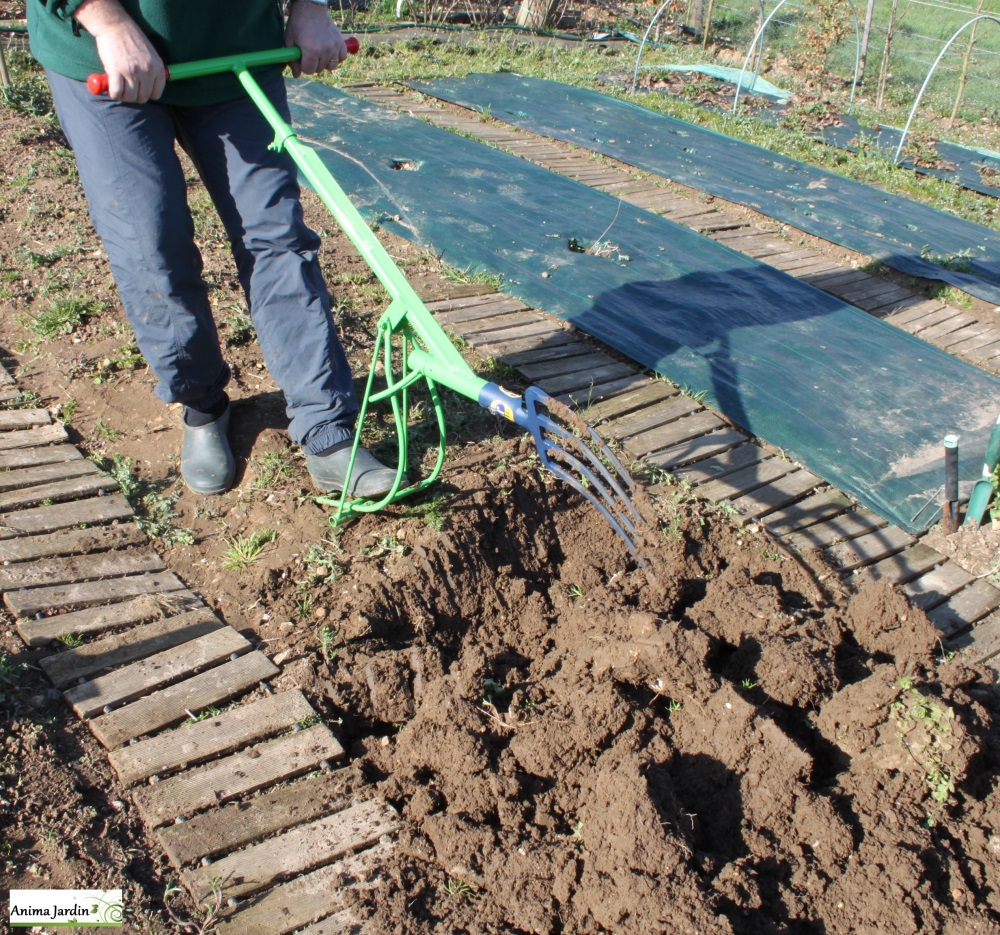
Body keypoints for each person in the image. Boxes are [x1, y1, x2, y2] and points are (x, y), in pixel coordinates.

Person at [26, 0, 400, 497]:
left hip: (234, 47)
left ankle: (327, 432)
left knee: (277, 236)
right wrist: (105, 20)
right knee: (151, 243)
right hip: (105, 59)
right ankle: (202, 404)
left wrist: (310, 6)